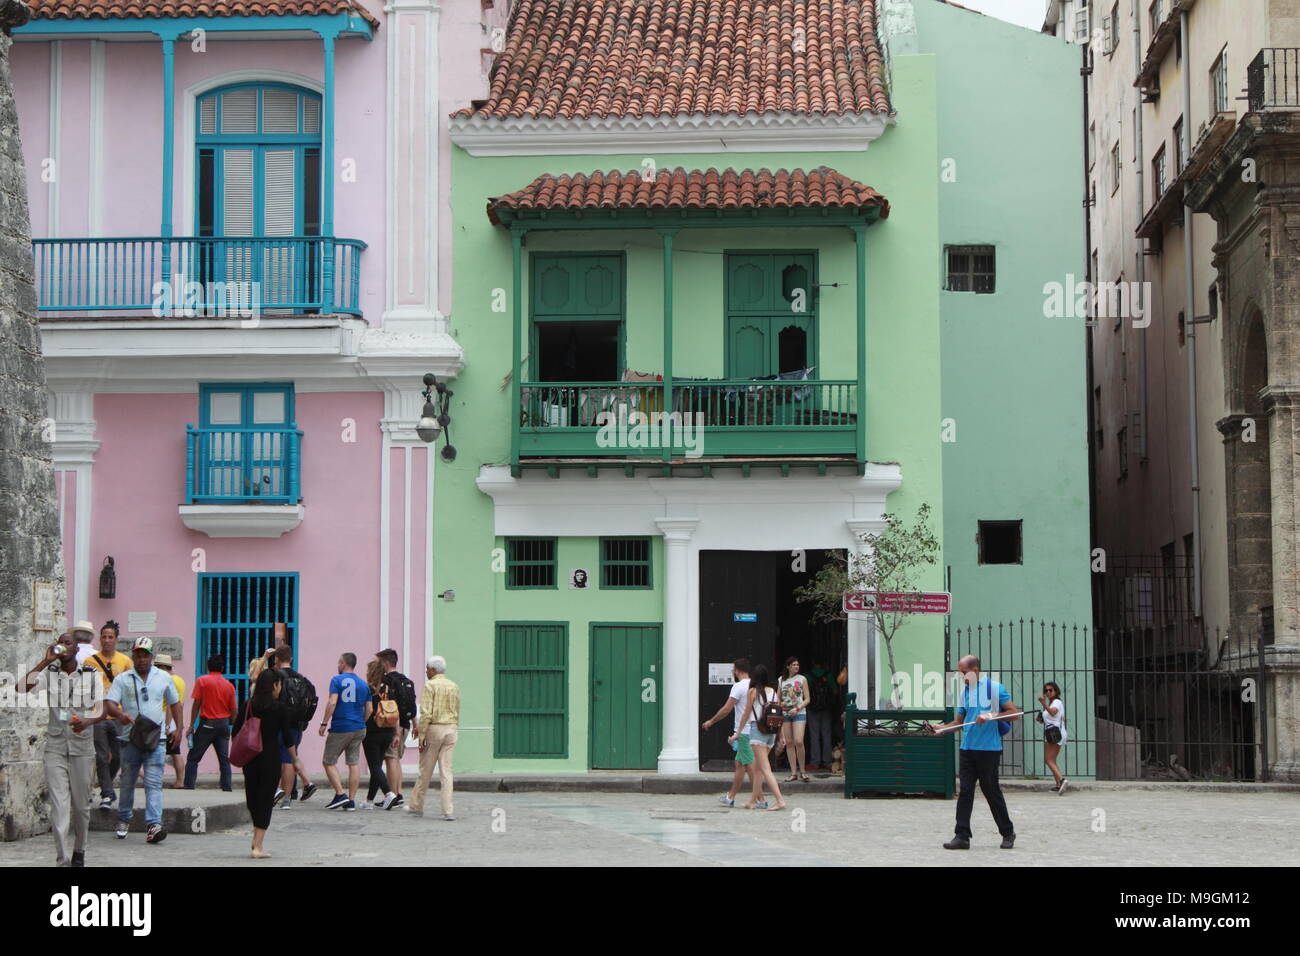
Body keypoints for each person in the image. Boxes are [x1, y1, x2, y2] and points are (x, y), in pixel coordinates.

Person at [22, 634, 103, 866]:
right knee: (59, 807)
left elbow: (100, 709)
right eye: (61, 642)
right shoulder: (50, 673)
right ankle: (62, 860)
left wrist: (87, 721)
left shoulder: (91, 675)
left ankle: (80, 850)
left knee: (81, 807)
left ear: (77, 648)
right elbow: (21, 687)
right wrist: (44, 661)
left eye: (68, 643)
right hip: (56, 747)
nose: (64, 646)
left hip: (82, 747)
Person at [930, 655, 1020, 850]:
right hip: (967, 749)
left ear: (976, 670)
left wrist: (991, 715)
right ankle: (961, 836)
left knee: (991, 791)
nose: (961, 676)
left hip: (989, 750)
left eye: (963, 672)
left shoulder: (995, 689)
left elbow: (1014, 713)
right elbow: (959, 722)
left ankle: (1007, 832)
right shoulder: (965, 692)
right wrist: (942, 728)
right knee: (966, 792)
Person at [102, 637, 183, 844]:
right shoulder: (123, 679)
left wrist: (179, 729)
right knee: (128, 781)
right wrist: (120, 715)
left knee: (153, 782)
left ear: (151, 657)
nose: (141, 659)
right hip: (129, 738)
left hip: (157, 738)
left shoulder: (163, 677)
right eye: (137, 654)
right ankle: (123, 818)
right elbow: (110, 703)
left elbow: (175, 704)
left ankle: (153, 825)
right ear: (133, 656)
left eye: (145, 654)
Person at [230, 668, 289, 858]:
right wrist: (295, 760)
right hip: (271, 759)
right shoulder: (280, 708)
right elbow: (287, 739)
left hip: (250, 758)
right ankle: (257, 845)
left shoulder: (248, 705)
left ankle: (256, 842)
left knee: (253, 799)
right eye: (279, 684)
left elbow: (235, 731)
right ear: (274, 685)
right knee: (265, 800)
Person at [407, 656, 460, 820]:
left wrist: (421, 735)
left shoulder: (430, 686)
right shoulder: (454, 686)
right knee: (446, 772)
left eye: (427, 668)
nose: (425, 671)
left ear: (432, 670)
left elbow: (426, 713)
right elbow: (457, 709)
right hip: (451, 728)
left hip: (435, 729)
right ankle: (447, 810)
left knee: (425, 770)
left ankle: (417, 805)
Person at [85, 620, 131, 808]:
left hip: (118, 714)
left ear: (116, 640)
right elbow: (86, 688)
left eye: (110, 637)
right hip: (98, 715)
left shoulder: (125, 661)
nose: (106, 640)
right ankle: (107, 793)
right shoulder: (90, 661)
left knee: (118, 757)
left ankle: (107, 786)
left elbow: (129, 689)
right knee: (102, 756)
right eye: (103, 637)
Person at [318, 652, 371, 810]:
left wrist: (324, 722)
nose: (337, 665)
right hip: (359, 727)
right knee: (353, 763)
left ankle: (340, 794)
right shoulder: (363, 684)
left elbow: (332, 702)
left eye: (339, 662)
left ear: (343, 663)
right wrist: (362, 721)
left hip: (341, 727)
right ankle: (351, 801)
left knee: (328, 761)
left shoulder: (336, 680)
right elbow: (369, 709)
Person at [702, 658, 757, 807]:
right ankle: (730, 797)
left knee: (750, 765)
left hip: (743, 731)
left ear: (737, 670)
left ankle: (759, 798)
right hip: (754, 729)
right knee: (740, 764)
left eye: (733, 669)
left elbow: (727, 709)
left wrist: (711, 721)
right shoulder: (754, 685)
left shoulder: (738, 687)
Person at [732, 664, 786, 811]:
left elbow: (745, 714)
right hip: (771, 733)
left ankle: (780, 800)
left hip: (758, 731)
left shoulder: (753, 692)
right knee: (757, 769)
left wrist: (738, 732)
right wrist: (781, 735)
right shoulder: (773, 692)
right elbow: (779, 715)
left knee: (765, 768)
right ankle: (752, 801)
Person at [271, 645, 317, 808]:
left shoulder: (276, 677)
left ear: (276, 659)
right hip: (297, 725)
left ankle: (277, 793)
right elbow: (313, 698)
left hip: (278, 724)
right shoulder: (301, 678)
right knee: (289, 759)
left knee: (277, 759)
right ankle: (287, 799)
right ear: (290, 659)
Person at [182, 654, 236, 791]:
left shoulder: (202, 681)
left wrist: (191, 725)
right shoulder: (229, 686)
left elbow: (197, 704)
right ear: (223, 668)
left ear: (207, 666)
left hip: (207, 724)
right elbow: (234, 710)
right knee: (224, 759)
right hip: (224, 725)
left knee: (193, 758)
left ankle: (188, 785)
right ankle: (227, 787)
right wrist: (235, 727)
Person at [360, 659, 399, 809]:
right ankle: (369, 801)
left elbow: (368, 710)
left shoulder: (368, 689)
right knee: (376, 766)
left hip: (372, 731)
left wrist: (362, 724)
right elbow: (395, 710)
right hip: (388, 730)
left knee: (374, 767)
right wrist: (396, 733)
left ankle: (389, 794)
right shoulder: (389, 688)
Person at [378, 648, 416, 806]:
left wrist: (395, 732)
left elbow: (391, 706)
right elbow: (412, 705)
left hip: (394, 725)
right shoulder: (406, 680)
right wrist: (415, 725)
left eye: (380, 662)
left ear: (386, 663)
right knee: (397, 759)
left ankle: (392, 796)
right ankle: (398, 793)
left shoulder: (387, 681)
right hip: (406, 725)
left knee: (390, 759)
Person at [154, 654, 186, 788]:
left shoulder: (167, 680)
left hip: (166, 719)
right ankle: (180, 781)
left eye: (157, 667)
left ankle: (164, 781)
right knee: (175, 752)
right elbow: (180, 704)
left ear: (162, 667)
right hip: (175, 719)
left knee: (167, 752)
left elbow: (168, 705)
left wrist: (167, 725)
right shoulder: (180, 680)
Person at [777, 656, 810, 783]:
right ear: (788, 667)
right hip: (785, 714)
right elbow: (778, 697)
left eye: (797, 664)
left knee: (799, 741)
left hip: (799, 712)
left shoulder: (802, 679)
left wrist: (797, 708)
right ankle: (793, 772)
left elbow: (807, 698)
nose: (796, 666)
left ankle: (803, 771)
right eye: (794, 665)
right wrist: (782, 706)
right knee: (789, 743)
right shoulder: (781, 680)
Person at [1037, 681, 1069, 794]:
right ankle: (1058, 784)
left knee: (1048, 760)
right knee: (1051, 760)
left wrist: (1042, 702)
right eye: (1046, 690)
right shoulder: (1051, 703)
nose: (1048, 692)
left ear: (1056, 691)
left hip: (1055, 733)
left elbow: (1053, 713)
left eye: (1051, 690)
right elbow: (1050, 717)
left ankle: (1062, 780)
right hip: (1052, 732)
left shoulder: (1056, 702)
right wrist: (1041, 718)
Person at [805, 661, 834, 772]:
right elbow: (835, 691)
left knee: (814, 735)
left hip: (812, 709)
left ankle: (815, 762)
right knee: (827, 735)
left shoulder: (807, 676)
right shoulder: (829, 675)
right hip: (826, 709)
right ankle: (828, 762)